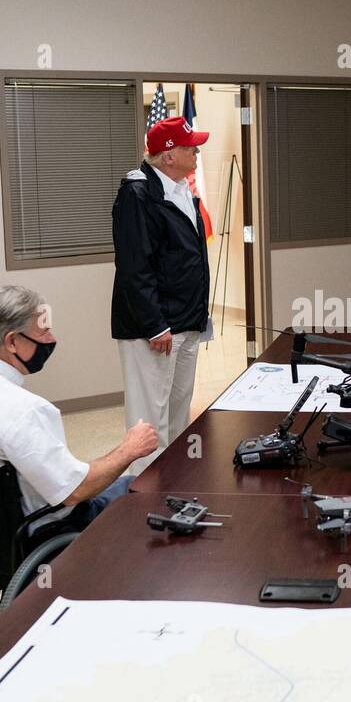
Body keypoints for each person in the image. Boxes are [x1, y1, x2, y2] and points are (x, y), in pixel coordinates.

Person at [0, 285, 157, 532]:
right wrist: (129, 450)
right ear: (12, 341)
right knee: (139, 487)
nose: (52, 339)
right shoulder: (23, 409)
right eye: (43, 332)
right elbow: (74, 491)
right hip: (41, 531)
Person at [111, 116, 212, 475]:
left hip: (186, 322)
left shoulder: (183, 190)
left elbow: (189, 260)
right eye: (190, 146)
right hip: (153, 329)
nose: (197, 151)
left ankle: (173, 483)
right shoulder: (137, 195)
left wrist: (200, 317)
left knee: (177, 412)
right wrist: (154, 325)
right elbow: (134, 268)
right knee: (148, 418)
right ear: (168, 155)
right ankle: (144, 492)